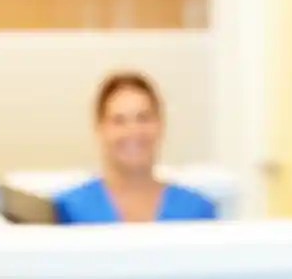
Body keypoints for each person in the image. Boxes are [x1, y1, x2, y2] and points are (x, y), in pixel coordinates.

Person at [52, 72, 218, 224]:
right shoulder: (67, 210)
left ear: (161, 124)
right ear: (100, 129)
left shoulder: (196, 210)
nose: (133, 131)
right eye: (119, 121)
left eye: (143, 118)